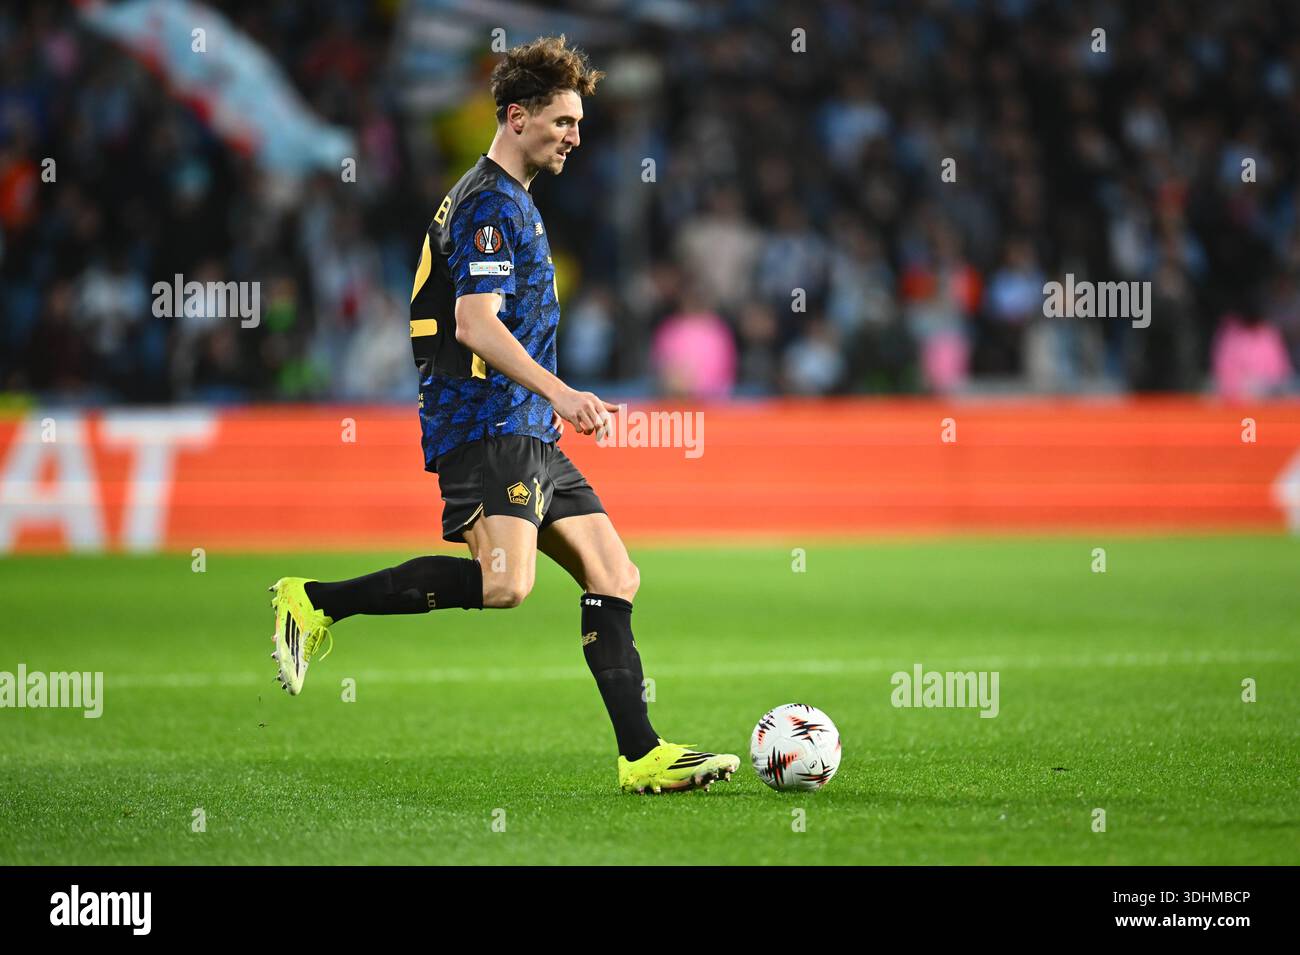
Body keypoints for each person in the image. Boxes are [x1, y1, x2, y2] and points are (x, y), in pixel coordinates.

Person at [267, 35, 737, 795]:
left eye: (579, 122)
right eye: (563, 121)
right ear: (517, 118)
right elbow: (476, 323)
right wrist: (562, 392)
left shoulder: (506, 197)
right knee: (504, 586)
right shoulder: (488, 202)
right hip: (488, 421)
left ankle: (641, 753)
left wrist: (547, 402)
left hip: (524, 425)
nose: (575, 136)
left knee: (615, 571)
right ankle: (314, 600)